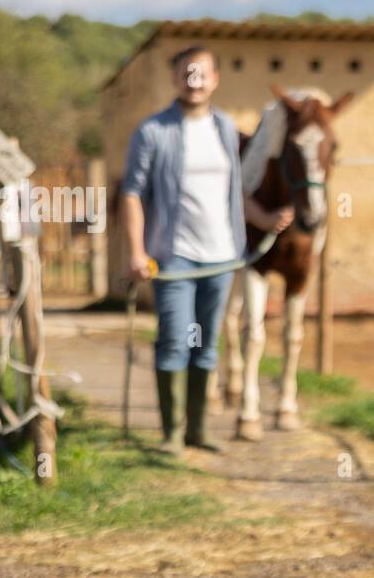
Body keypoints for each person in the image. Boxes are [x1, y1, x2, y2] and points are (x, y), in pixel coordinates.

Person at [121, 45, 292, 455]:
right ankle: (171, 434)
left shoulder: (224, 128)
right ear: (176, 79)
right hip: (173, 255)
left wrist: (264, 221)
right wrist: (136, 251)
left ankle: (198, 430)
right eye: (186, 73)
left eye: (202, 74)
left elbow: (232, 193)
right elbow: (132, 194)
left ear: (214, 79)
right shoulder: (152, 131)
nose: (194, 81)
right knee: (176, 340)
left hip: (221, 256)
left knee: (205, 343)